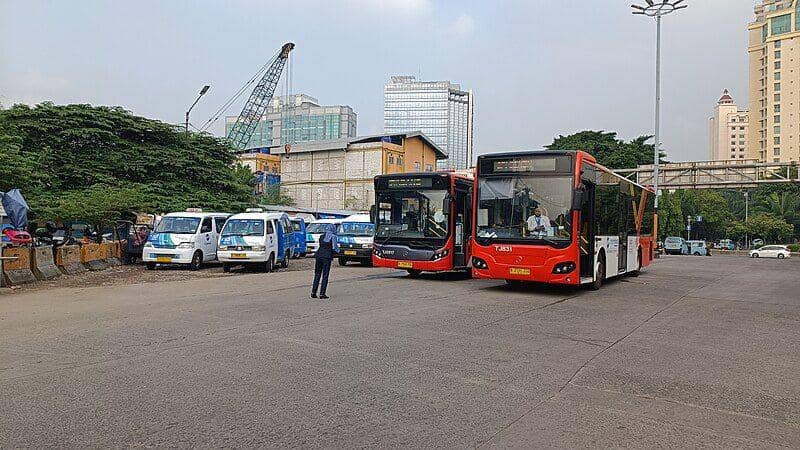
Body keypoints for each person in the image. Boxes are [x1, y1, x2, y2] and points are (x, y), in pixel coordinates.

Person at [311, 223, 338, 299]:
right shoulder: (333, 237)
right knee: (325, 275)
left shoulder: (321, 236)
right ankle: (322, 294)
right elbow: (334, 248)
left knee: (317, 274)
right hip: (326, 257)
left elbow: (321, 245)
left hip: (318, 255)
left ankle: (313, 292)